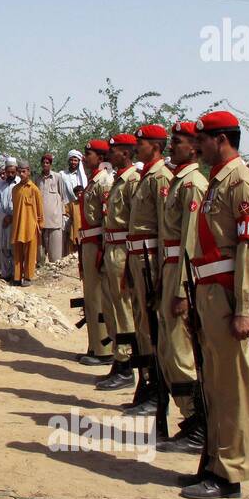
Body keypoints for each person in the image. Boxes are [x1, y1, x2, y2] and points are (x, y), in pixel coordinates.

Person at [175, 111, 249, 499]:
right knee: (214, 384)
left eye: (204, 139)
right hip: (209, 292)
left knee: (232, 388)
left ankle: (229, 474)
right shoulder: (216, 181)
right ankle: (213, 461)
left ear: (223, 140)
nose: (198, 146)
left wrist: (247, 307)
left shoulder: (242, 182)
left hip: (229, 296)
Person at [156, 121, 208, 451]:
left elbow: (190, 241)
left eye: (178, 142)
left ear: (194, 147)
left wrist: (181, 289)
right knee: (169, 350)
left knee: (181, 352)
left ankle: (197, 421)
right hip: (169, 267)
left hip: (181, 273)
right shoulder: (178, 181)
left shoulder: (192, 184)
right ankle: (190, 419)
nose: (171, 147)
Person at [123, 124, 172, 414]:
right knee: (143, 324)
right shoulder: (145, 177)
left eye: (140, 144)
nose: (135, 149)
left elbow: (165, 227)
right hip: (137, 256)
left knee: (154, 327)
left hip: (151, 259)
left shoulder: (160, 177)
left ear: (154, 146)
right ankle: (147, 382)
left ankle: (157, 388)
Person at [96, 135, 141, 392]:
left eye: (113, 151)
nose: (109, 155)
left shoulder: (132, 181)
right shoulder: (118, 180)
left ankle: (126, 364)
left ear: (125, 153)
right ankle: (118, 358)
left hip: (123, 250)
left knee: (124, 308)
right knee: (112, 307)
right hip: (111, 248)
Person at [75, 140, 114, 367]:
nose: (84, 158)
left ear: (100, 157)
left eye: (88, 154)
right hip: (88, 241)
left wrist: (102, 249)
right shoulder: (92, 181)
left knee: (99, 297)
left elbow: (107, 219)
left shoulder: (105, 181)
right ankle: (94, 344)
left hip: (97, 242)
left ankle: (105, 349)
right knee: (90, 297)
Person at [10, 163, 43, 285]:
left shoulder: (34, 189)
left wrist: (40, 224)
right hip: (18, 225)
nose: (22, 174)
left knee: (30, 253)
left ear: (29, 172)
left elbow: (40, 209)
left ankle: (28, 277)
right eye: (20, 171)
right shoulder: (15, 189)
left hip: (31, 226)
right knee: (18, 252)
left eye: (24, 171)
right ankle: (17, 277)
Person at [0, 158, 18, 279]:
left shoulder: (19, 185)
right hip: (2, 222)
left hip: (16, 222)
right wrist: (4, 217)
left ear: (16, 171)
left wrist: (12, 217)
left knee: (14, 249)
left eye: (13, 172)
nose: (10, 175)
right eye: (8, 172)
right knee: (2, 248)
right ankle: (6, 273)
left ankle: (15, 274)